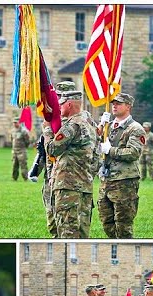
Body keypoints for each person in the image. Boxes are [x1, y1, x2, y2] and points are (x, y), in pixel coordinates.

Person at [42, 82, 95, 238]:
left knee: (67, 232)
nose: (59, 108)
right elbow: (96, 155)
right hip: (85, 185)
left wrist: (46, 129)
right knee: (82, 232)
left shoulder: (72, 125)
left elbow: (52, 149)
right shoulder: (88, 124)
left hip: (68, 186)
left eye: (61, 104)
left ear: (69, 104)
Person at [97, 93, 146, 239]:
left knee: (123, 224)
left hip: (124, 181)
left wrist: (110, 150)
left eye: (119, 103)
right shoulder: (108, 126)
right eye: (113, 103)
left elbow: (133, 152)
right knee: (107, 221)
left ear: (128, 107)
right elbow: (93, 142)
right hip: (106, 180)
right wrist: (100, 125)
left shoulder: (135, 128)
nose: (114, 106)